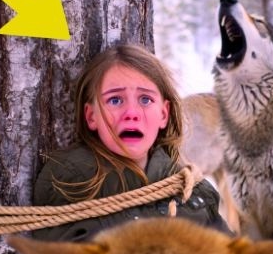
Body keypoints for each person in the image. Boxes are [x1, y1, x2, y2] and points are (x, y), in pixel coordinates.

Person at [30, 44, 230, 242]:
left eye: (145, 100)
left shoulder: (191, 187)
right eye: (115, 100)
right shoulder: (70, 180)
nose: (132, 114)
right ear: (91, 116)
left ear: (163, 114)